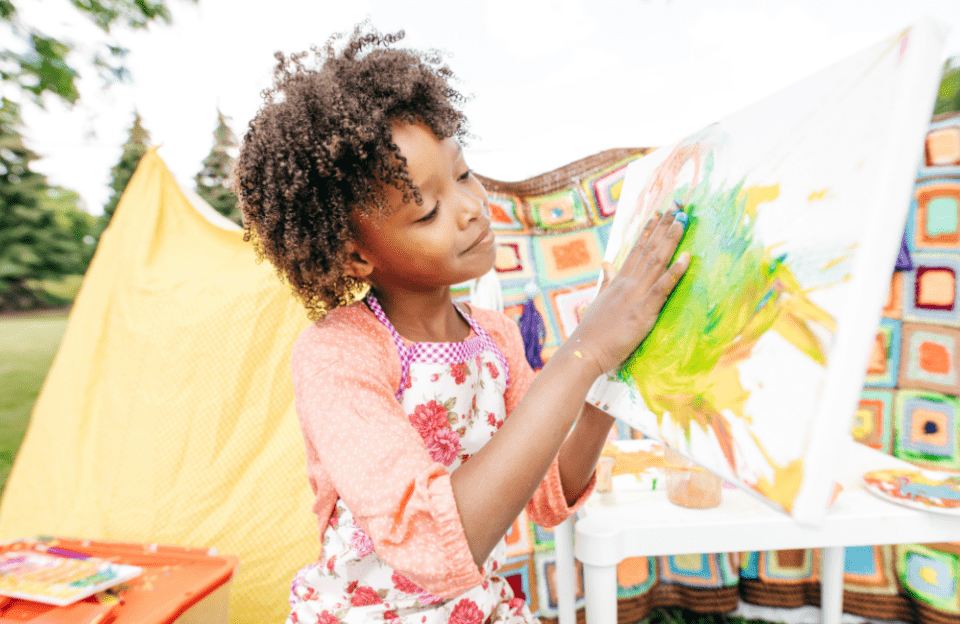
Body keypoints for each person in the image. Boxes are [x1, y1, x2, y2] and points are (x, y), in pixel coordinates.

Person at [233, 23, 689, 624]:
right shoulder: (338, 354)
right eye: (427, 209)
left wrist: (613, 367)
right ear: (355, 256)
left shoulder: (495, 339)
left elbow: (552, 491)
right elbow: (429, 545)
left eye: (465, 173)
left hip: (475, 607)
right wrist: (584, 351)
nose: (472, 208)